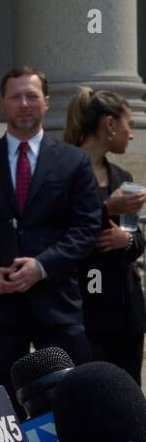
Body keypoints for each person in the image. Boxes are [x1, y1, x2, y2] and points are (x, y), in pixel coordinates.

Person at [0, 67, 102, 408]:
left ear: (46, 102)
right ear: (2, 103)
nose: (24, 104)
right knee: (3, 407)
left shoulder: (73, 162)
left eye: (32, 96)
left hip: (57, 304)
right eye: (15, 96)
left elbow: (86, 228)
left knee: (75, 400)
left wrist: (42, 266)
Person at [64, 87, 146, 384]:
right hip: (85, 305)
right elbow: (58, 227)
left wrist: (128, 241)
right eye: (130, 125)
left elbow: (135, 237)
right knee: (91, 392)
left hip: (125, 308)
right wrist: (105, 207)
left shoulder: (123, 177)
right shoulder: (63, 170)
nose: (132, 134)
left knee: (129, 392)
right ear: (110, 125)